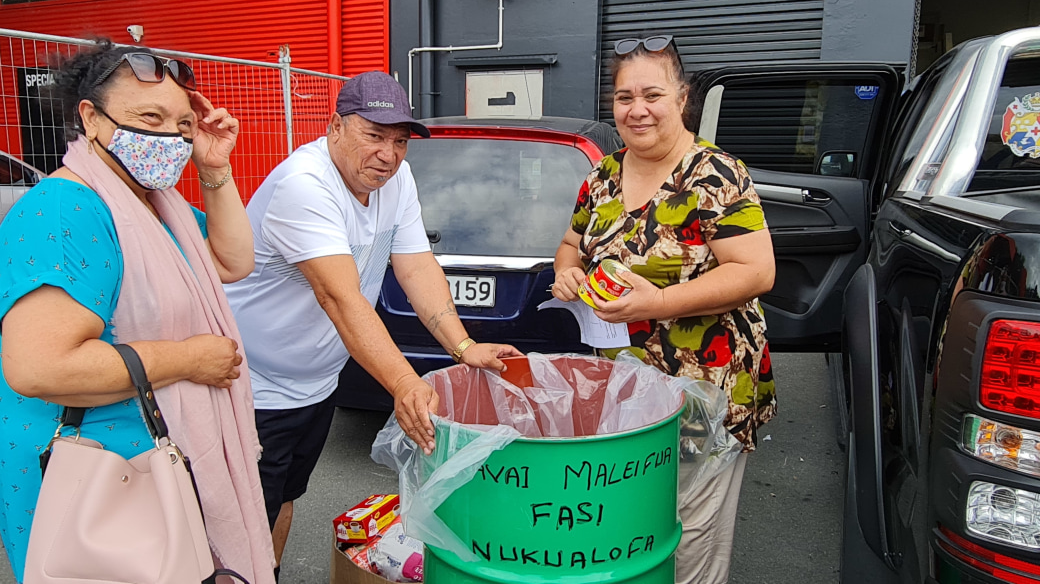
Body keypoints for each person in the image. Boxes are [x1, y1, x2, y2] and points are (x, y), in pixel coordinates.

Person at [0, 41, 275, 583]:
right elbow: (40, 368)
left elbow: (233, 261)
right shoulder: (63, 212)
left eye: (183, 123)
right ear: (91, 119)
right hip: (102, 480)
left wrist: (214, 167)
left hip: (156, 467)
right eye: (150, 117)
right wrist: (188, 358)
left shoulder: (153, 204)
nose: (170, 136)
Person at [223, 71, 522, 573]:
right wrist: (405, 383)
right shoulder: (304, 185)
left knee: (284, 498)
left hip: (315, 383)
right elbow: (340, 298)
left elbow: (416, 265)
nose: (389, 153)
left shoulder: (395, 180)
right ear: (335, 126)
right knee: (241, 518)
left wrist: (463, 345)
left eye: (400, 141)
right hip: (254, 387)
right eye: (374, 135)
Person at [551, 35, 777, 584]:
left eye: (652, 94)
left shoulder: (716, 174)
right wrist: (566, 274)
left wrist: (658, 303)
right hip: (624, 385)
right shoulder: (601, 176)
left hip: (706, 385)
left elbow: (756, 272)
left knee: (692, 531)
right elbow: (568, 245)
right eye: (625, 96)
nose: (637, 109)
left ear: (682, 99)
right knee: (634, 518)